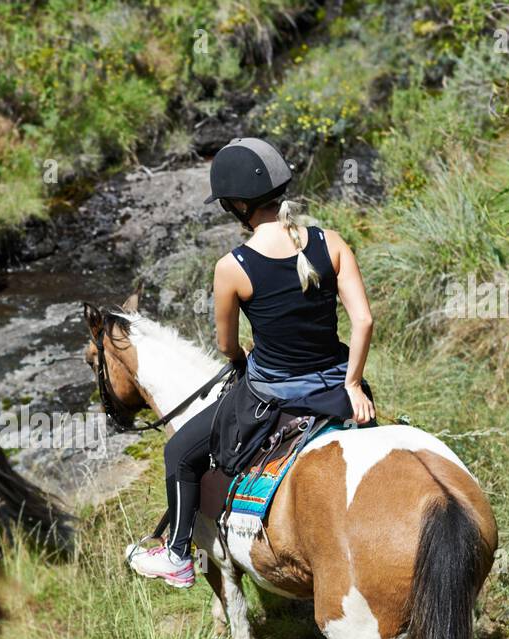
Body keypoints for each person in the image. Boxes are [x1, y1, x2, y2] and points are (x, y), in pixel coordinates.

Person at [127, 137, 377, 588]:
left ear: (238, 206)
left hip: (273, 395)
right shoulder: (331, 241)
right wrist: (354, 384)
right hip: (337, 389)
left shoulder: (232, 267)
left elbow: (226, 346)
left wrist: (243, 359)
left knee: (178, 452)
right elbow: (364, 320)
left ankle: (179, 553)